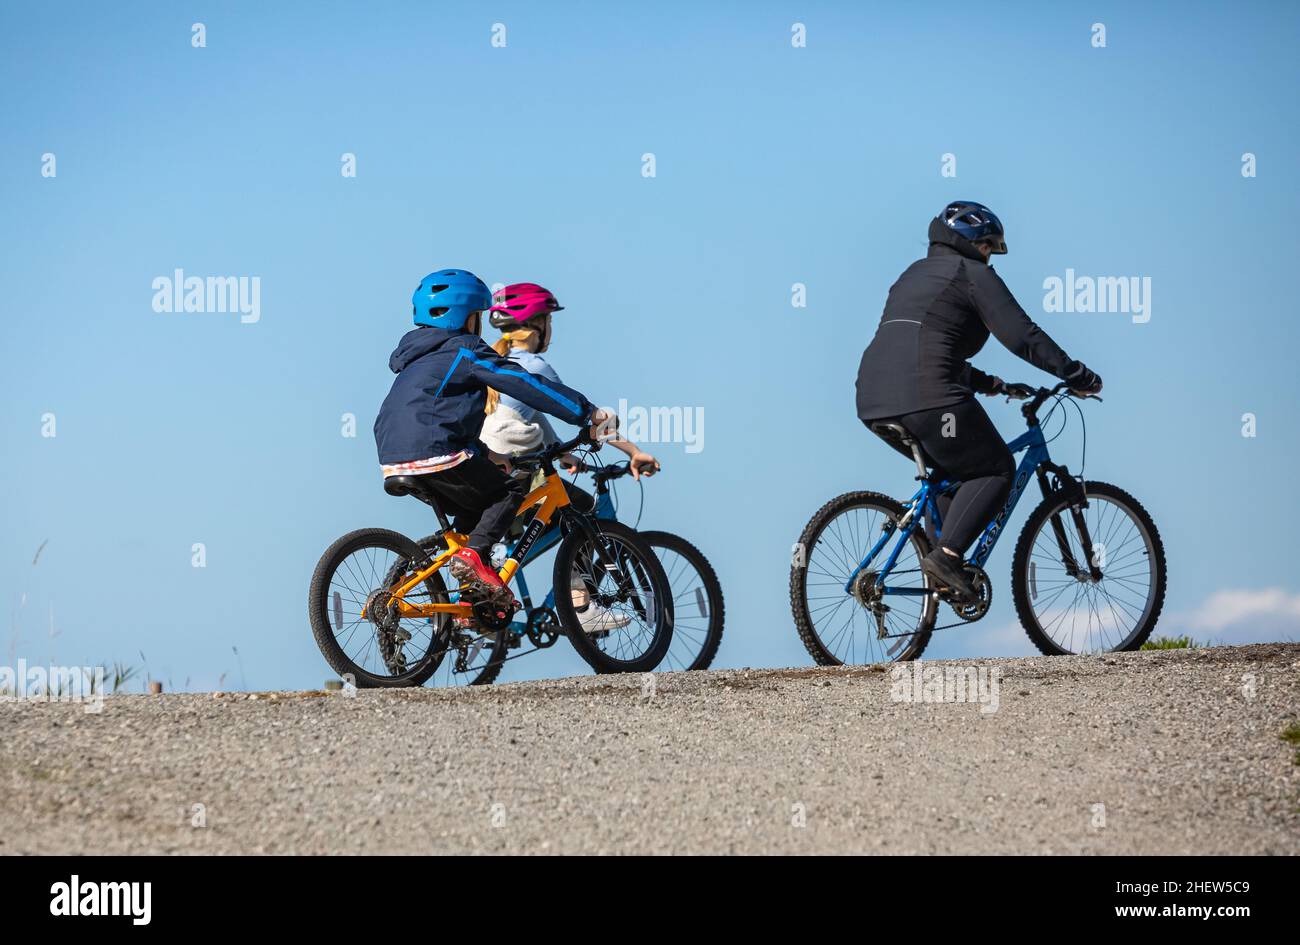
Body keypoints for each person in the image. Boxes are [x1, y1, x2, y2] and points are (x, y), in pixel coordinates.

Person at [856, 201, 1102, 599]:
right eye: (990, 248)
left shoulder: (912, 275)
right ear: (973, 243)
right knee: (996, 469)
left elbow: (922, 347)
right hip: (928, 396)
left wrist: (992, 384)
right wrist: (1075, 373)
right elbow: (1022, 335)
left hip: (872, 397)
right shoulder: (971, 274)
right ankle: (946, 558)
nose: (991, 259)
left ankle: (940, 566)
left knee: (953, 473)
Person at [373, 268, 609, 607]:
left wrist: (486, 454)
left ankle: (471, 600)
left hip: (394, 455)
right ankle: (474, 556)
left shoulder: (417, 360)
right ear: (467, 318)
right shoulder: (463, 349)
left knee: (479, 501)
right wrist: (586, 413)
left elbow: (439, 418)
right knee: (513, 488)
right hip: (438, 452)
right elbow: (522, 383)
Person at [479, 281, 660, 633]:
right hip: (514, 467)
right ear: (537, 323)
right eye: (549, 320)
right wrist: (635, 452)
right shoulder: (534, 366)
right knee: (582, 512)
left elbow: (532, 415)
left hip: (487, 466)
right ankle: (580, 604)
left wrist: (564, 456)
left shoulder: (497, 364)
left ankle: (496, 577)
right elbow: (577, 413)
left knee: (537, 521)